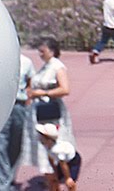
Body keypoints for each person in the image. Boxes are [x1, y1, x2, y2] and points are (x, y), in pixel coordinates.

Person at [27, 37, 74, 176]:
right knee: (45, 143)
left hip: (52, 110)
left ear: (52, 51)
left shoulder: (57, 67)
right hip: (41, 110)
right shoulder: (45, 66)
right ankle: (51, 174)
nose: (40, 54)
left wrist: (44, 92)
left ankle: (61, 175)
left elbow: (65, 89)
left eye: (43, 51)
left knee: (55, 142)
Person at [0, 53, 35, 191]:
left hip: (19, 106)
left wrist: (29, 101)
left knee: (16, 144)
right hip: (0, 106)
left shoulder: (26, 62)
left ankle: (8, 179)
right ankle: (3, 185)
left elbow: (30, 83)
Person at [35, 123, 82, 191]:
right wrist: (54, 171)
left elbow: (63, 164)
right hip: (62, 161)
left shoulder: (57, 150)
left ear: (49, 139)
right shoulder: (47, 145)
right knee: (55, 178)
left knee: (70, 182)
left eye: (41, 136)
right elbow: (50, 158)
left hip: (73, 161)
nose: (39, 138)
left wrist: (67, 177)